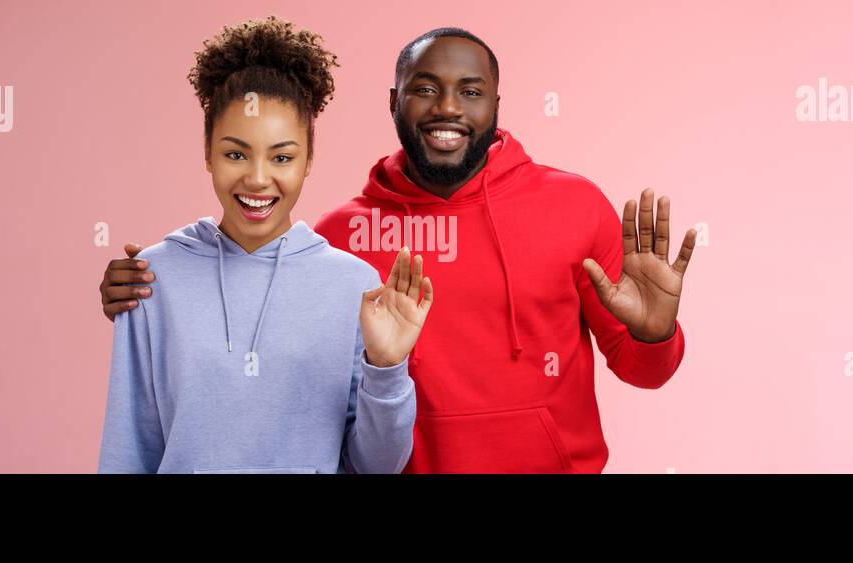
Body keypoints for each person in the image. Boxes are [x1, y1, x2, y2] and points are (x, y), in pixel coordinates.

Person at [101, 27, 696, 473]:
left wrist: (653, 333)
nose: (447, 109)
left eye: (470, 91)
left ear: (496, 104)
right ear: (393, 102)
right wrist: (151, 282)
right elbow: (254, 321)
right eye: (425, 90)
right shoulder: (340, 238)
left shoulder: (574, 205)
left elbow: (646, 372)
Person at [97, 17, 432, 474]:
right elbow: (129, 446)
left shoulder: (355, 285)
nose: (257, 178)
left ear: (308, 159)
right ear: (207, 151)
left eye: (282, 156)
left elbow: (377, 466)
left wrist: (387, 367)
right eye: (235, 153)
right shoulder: (151, 278)